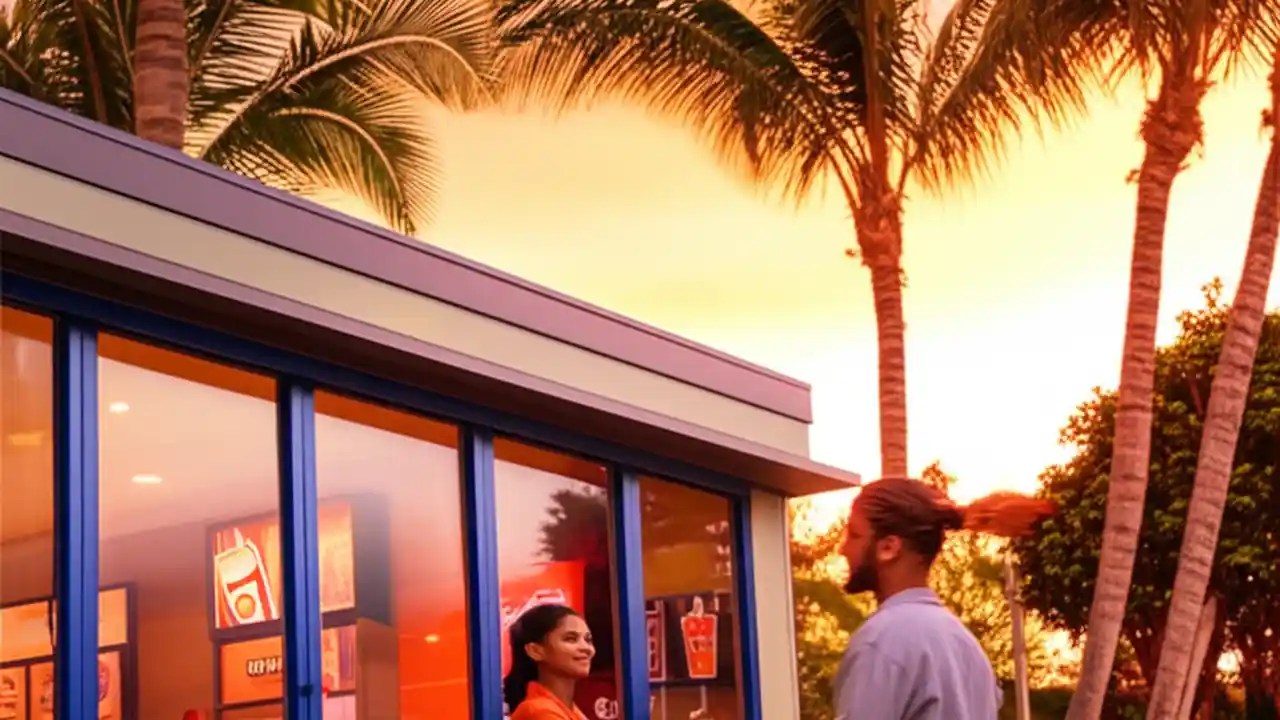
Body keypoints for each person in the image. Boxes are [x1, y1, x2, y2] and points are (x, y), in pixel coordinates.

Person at [834, 477, 1054, 720]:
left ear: (889, 547)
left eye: (854, 535)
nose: (843, 549)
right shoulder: (968, 647)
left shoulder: (881, 641)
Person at [504, 603, 595, 720]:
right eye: (571, 639)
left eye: (588, 640)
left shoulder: (567, 708)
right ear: (535, 651)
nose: (586, 648)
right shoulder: (538, 711)